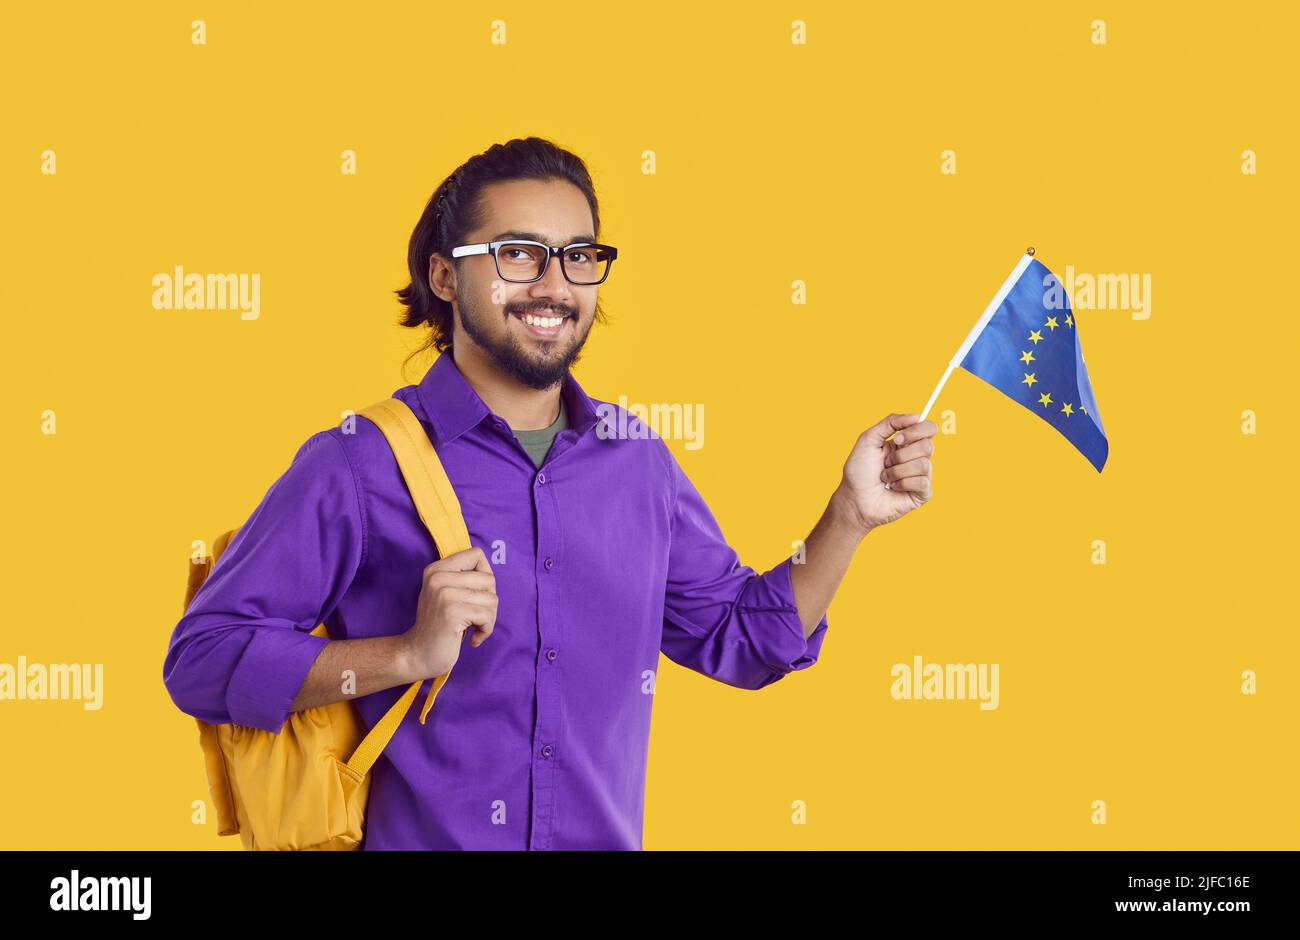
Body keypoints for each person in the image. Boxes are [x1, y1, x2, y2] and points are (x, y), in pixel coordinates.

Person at [162, 136, 937, 850]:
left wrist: (847, 518)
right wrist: (403, 653)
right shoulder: (357, 465)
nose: (555, 285)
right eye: (519, 255)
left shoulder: (638, 464)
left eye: (577, 257)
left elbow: (748, 640)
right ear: (443, 274)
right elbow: (201, 659)